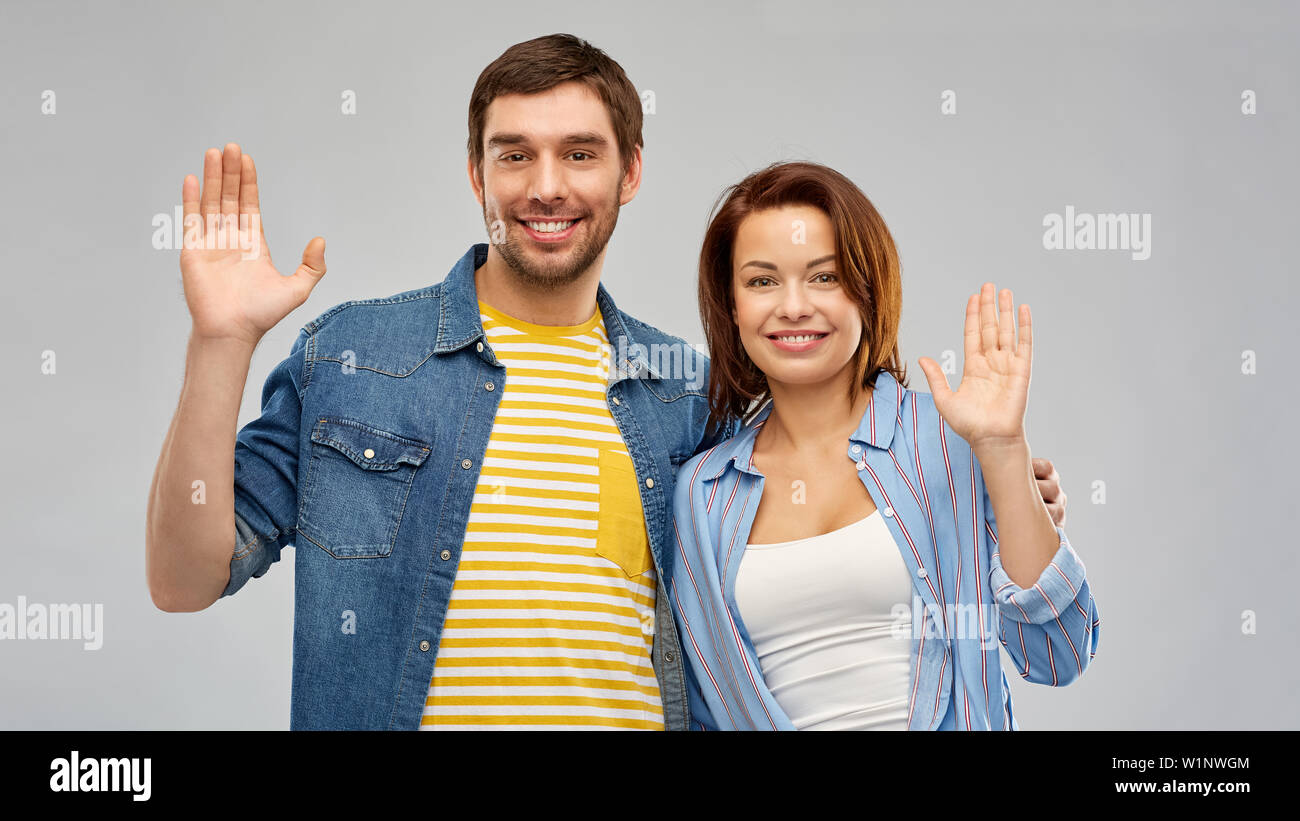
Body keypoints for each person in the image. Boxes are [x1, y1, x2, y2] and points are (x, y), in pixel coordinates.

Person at [145, 34, 1069, 731]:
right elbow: (184, 579)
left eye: (580, 153)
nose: (547, 186)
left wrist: (993, 487)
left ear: (629, 173)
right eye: (515, 153)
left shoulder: (688, 400)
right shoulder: (353, 357)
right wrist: (218, 343)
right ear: (477, 173)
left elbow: (813, 571)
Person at [670, 161, 1099, 730]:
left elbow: (1057, 655)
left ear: (867, 291)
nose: (793, 306)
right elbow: (702, 712)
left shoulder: (950, 445)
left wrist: (1002, 453)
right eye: (762, 280)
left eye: (823, 277)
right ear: (732, 306)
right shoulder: (701, 495)